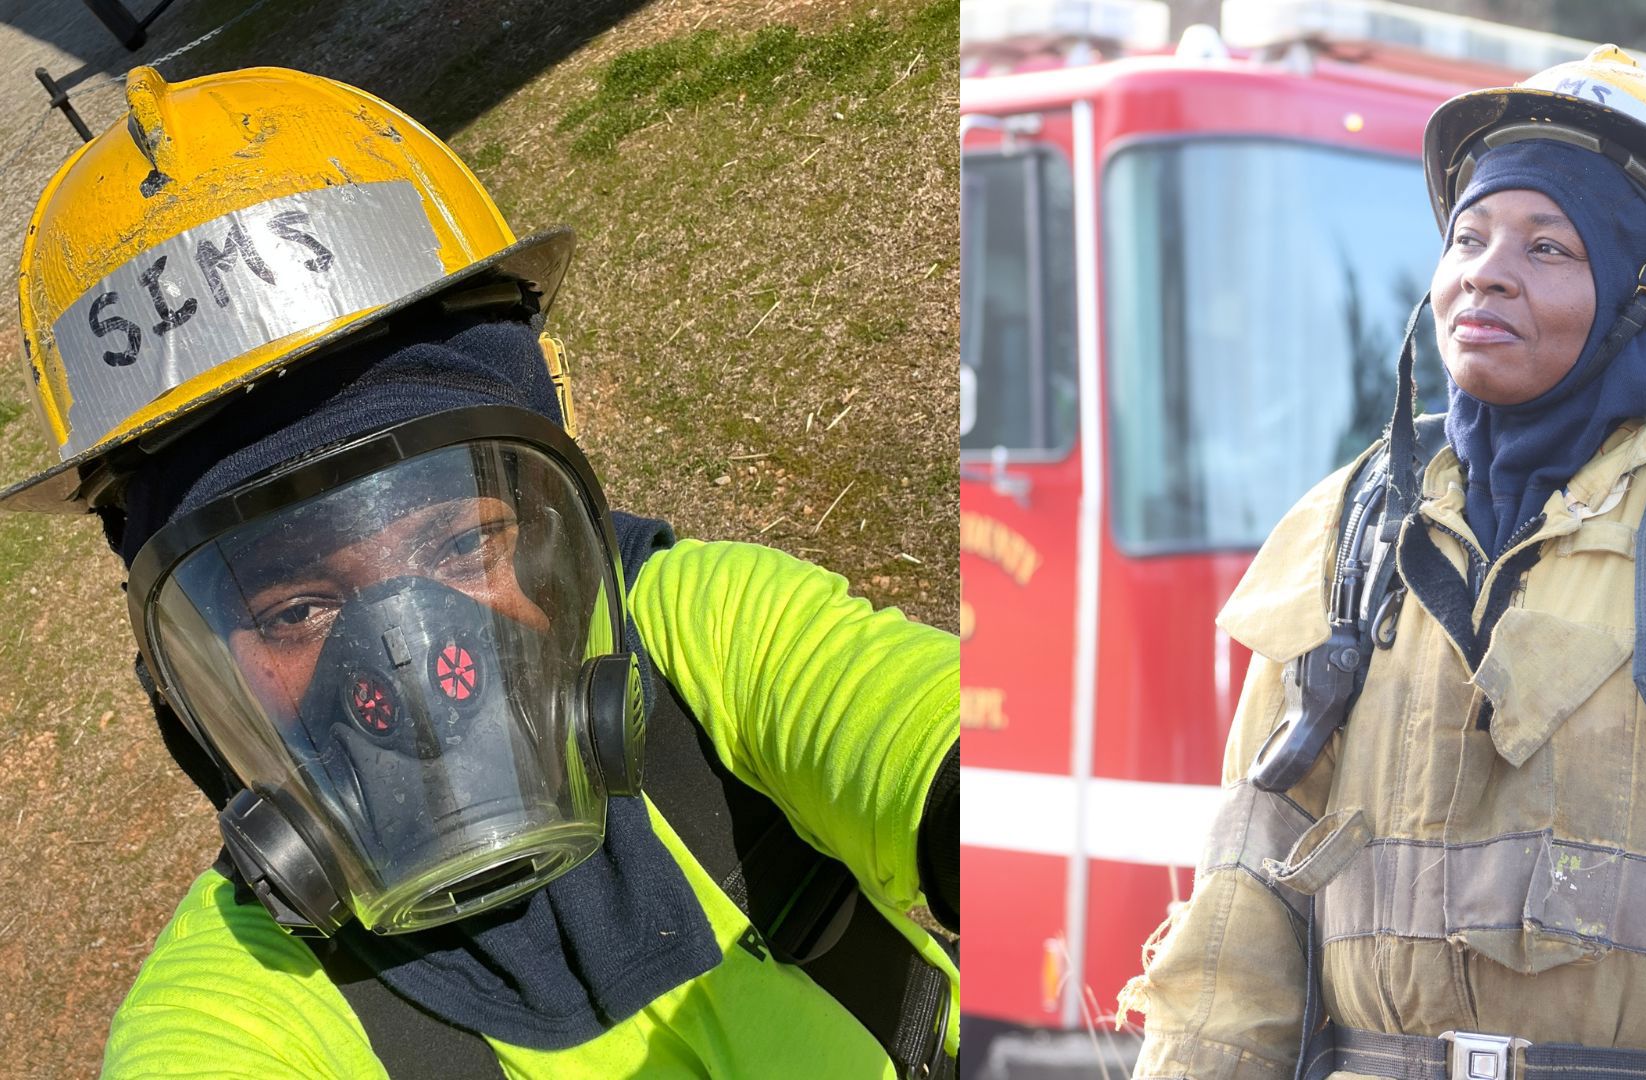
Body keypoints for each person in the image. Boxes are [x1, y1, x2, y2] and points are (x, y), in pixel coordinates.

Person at [2, 65, 959, 1078]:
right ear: (188, 676)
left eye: (460, 544)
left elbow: (947, 736)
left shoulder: (696, 639)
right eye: (296, 607)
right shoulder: (249, 1009)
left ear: (559, 525)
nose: (408, 657)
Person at [1119, 46, 1646, 1078]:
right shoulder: (1350, 534)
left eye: (1550, 246)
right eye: (1471, 235)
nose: (1486, 270)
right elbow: (1239, 920)